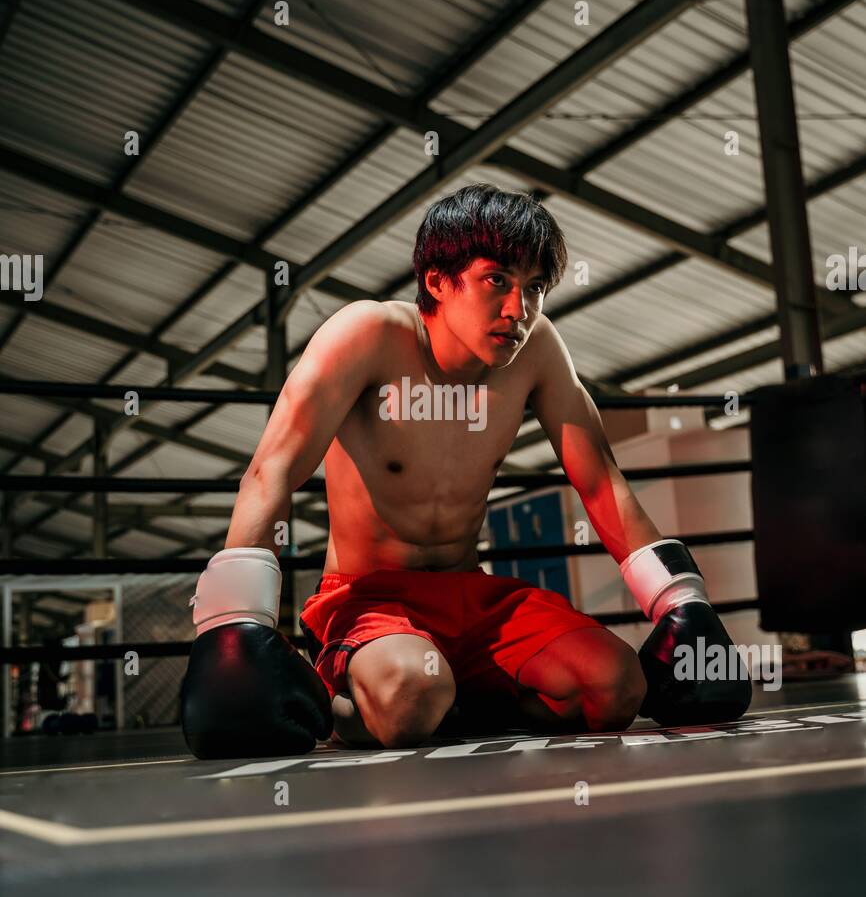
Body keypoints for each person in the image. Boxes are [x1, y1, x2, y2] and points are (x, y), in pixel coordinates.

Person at [181, 185, 750, 758]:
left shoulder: (538, 351)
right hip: (370, 598)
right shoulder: (367, 335)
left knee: (617, 687)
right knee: (409, 697)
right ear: (437, 280)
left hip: (474, 598)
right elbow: (271, 470)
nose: (518, 311)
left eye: (534, 289)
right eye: (497, 280)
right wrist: (234, 622)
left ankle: (454, 696)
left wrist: (680, 601)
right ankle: (345, 687)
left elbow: (600, 480)